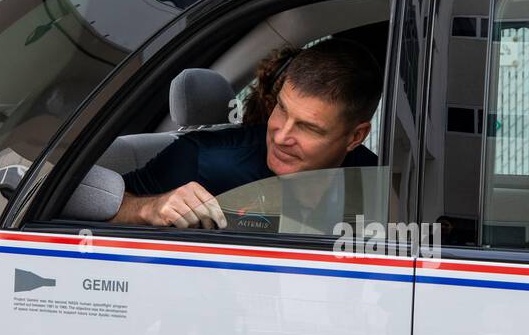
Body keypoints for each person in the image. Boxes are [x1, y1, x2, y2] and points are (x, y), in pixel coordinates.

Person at [111, 38, 381, 227]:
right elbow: (101, 207)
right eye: (282, 109)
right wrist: (151, 209)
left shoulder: (369, 177)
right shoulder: (205, 159)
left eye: (308, 127)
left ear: (355, 137)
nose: (279, 136)